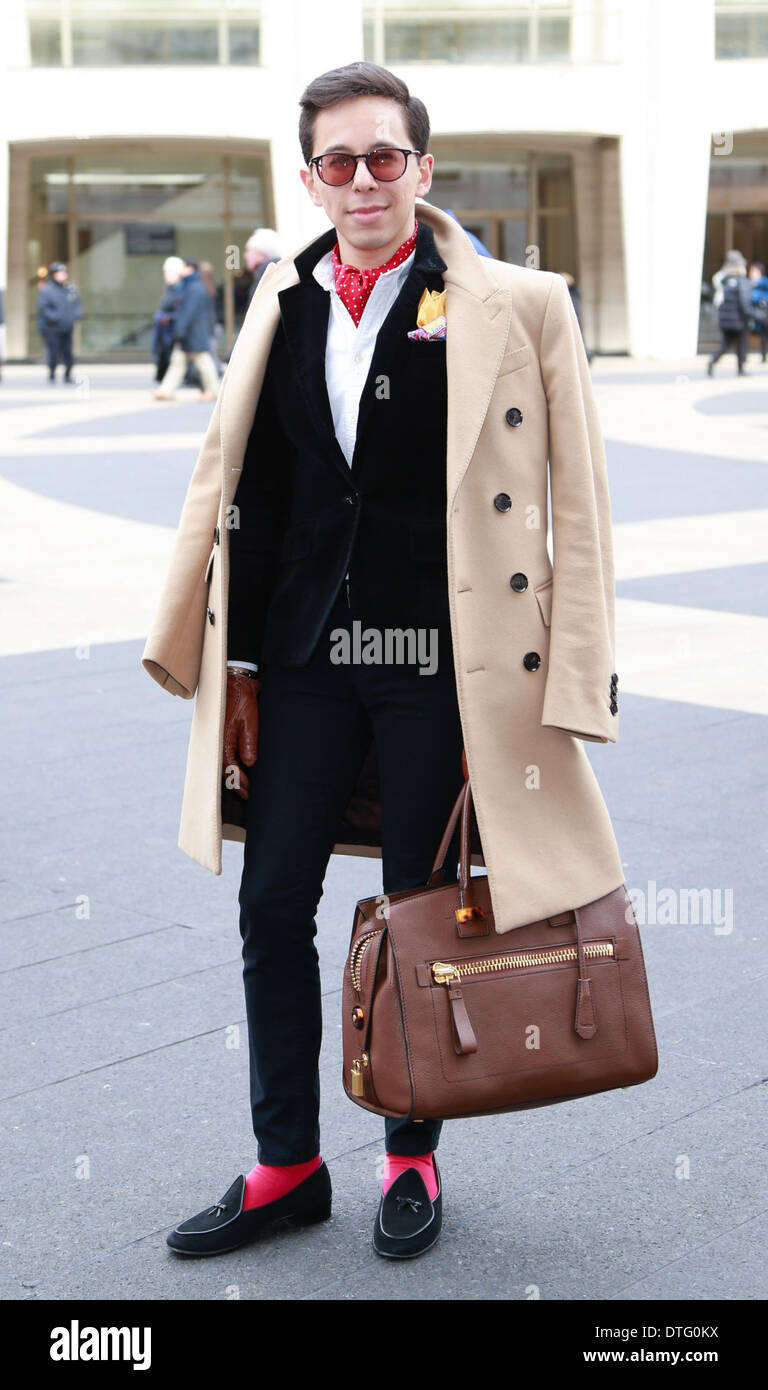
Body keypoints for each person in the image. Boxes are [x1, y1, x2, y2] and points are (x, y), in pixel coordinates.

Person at [142, 61, 624, 1261]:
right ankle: (287, 1163)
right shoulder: (280, 298)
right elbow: (260, 481)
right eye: (337, 162)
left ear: (421, 164)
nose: (362, 180)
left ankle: (411, 1152)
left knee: (425, 915)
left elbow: (582, 510)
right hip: (306, 655)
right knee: (269, 905)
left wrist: (564, 683)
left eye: (384, 157)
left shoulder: (521, 302)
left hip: (441, 663)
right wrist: (241, 663)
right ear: (309, 178)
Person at [153, 257, 220, 401]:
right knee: (178, 362)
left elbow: (188, 312)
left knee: (204, 362)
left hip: (193, 333)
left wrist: (180, 330)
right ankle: (166, 390)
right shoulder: (190, 285)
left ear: (190, 269)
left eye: (183, 267)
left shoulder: (194, 287)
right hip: (191, 333)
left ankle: (213, 390)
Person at [708, 249, 753, 376]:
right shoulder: (740, 280)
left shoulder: (722, 280)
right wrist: (749, 314)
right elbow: (744, 301)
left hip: (725, 319)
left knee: (725, 344)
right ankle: (741, 368)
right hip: (739, 319)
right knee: (742, 343)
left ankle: (713, 359)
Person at [36, 262, 83, 383]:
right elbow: (43, 308)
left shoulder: (69, 289)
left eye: (63, 273)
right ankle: (52, 372)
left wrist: (75, 316)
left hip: (67, 326)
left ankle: (68, 373)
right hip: (53, 328)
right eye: (59, 273)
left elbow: (77, 304)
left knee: (68, 351)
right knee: (53, 351)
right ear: (53, 275)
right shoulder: (47, 290)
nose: (62, 275)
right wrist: (55, 317)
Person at [151, 255, 185, 384]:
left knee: (175, 358)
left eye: (170, 272)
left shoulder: (180, 289)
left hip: (172, 330)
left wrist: (168, 318)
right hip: (164, 330)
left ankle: (167, 386)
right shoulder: (169, 289)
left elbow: (181, 311)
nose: (167, 275)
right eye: (166, 272)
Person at [747, 259, 768, 363]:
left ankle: (763, 355)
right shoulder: (748, 283)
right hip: (752, 312)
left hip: (763, 312)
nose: (751, 273)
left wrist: (763, 301)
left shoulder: (764, 283)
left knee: (764, 335)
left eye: (753, 271)